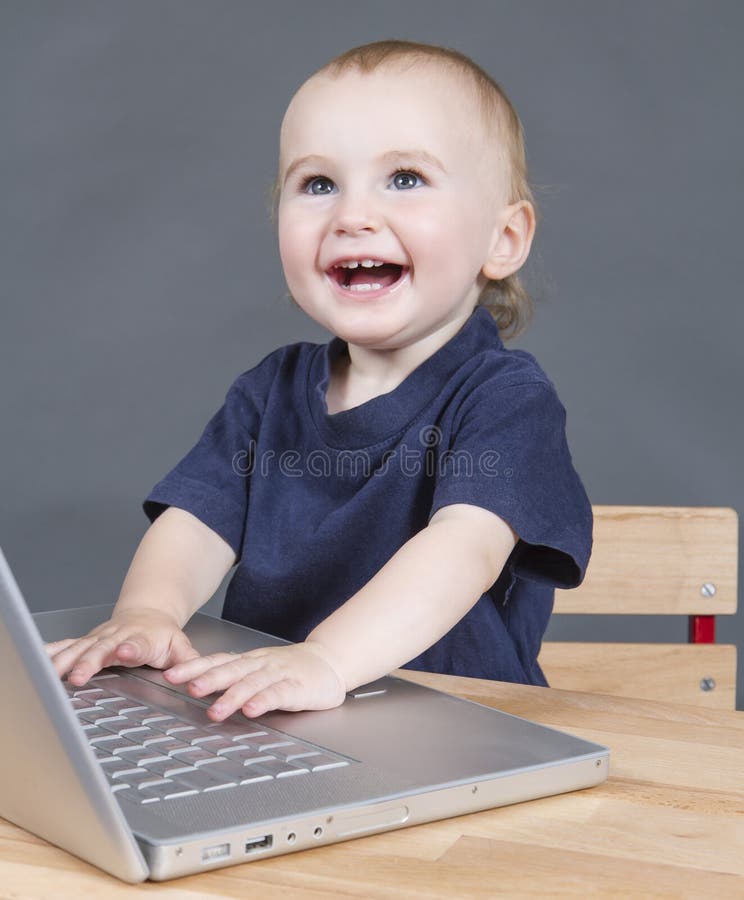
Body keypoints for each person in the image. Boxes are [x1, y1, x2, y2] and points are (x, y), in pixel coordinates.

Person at [47, 40, 592, 723]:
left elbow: (465, 547)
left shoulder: (504, 399)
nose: (352, 215)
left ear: (503, 239)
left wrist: (327, 660)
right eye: (318, 185)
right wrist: (147, 613)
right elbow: (196, 523)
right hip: (277, 718)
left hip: (453, 722)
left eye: (404, 179)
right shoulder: (269, 391)